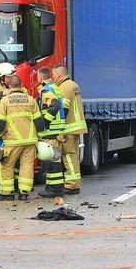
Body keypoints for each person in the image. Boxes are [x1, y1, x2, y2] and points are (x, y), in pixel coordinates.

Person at [0, 73, 38, 200]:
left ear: (9, 86)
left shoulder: (4, 101)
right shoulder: (31, 100)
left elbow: (0, 123)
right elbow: (39, 122)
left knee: (7, 165)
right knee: (27, 166)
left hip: (12, 140)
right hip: (30, 140)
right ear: (21, 85)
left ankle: (7, 193)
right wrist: (41, 138)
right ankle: (24, 192)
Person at [51, 64, 85, 194]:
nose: (52, 78)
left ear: (58, 75)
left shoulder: (64, 87)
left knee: (69, 156)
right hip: (75, 126)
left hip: (68, 127)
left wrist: (57, 127)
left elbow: (62, 109)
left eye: (53, 75)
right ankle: (73, 183)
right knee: (73, 155)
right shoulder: (73, 84)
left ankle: (72, 185)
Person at [34, 66, 67, 198]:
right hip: (57, 129)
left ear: (40, 77)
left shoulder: (47, 90)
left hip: (51, 130)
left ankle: (53, 189)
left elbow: (54, 105)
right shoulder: (55, 87)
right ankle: (56, 188)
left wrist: (44, 121)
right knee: (55, 159)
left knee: (51, 160)